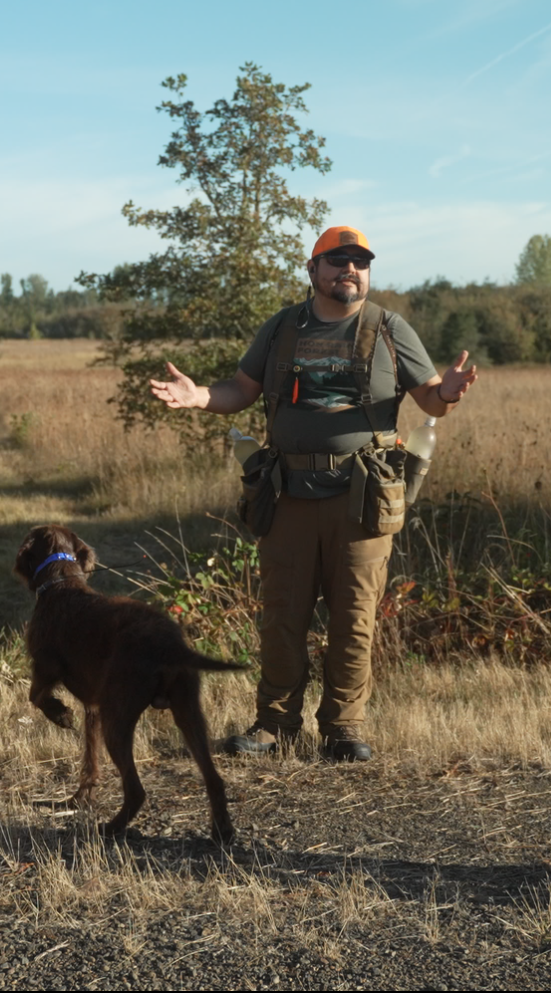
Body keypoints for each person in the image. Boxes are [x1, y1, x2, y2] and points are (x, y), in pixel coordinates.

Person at [148, 226, 478, 761]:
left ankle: (343, 728)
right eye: (337, 260)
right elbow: (241, 391)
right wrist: (200, 395)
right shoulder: (282, 327)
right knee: (282, 616)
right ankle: (274, 725)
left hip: (362, 498)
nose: (350, 270)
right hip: (288, 495)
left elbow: (430, 400)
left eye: (360, 262)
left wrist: (448, 393)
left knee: (355, 617)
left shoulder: (390, 329)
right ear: (313, 269)